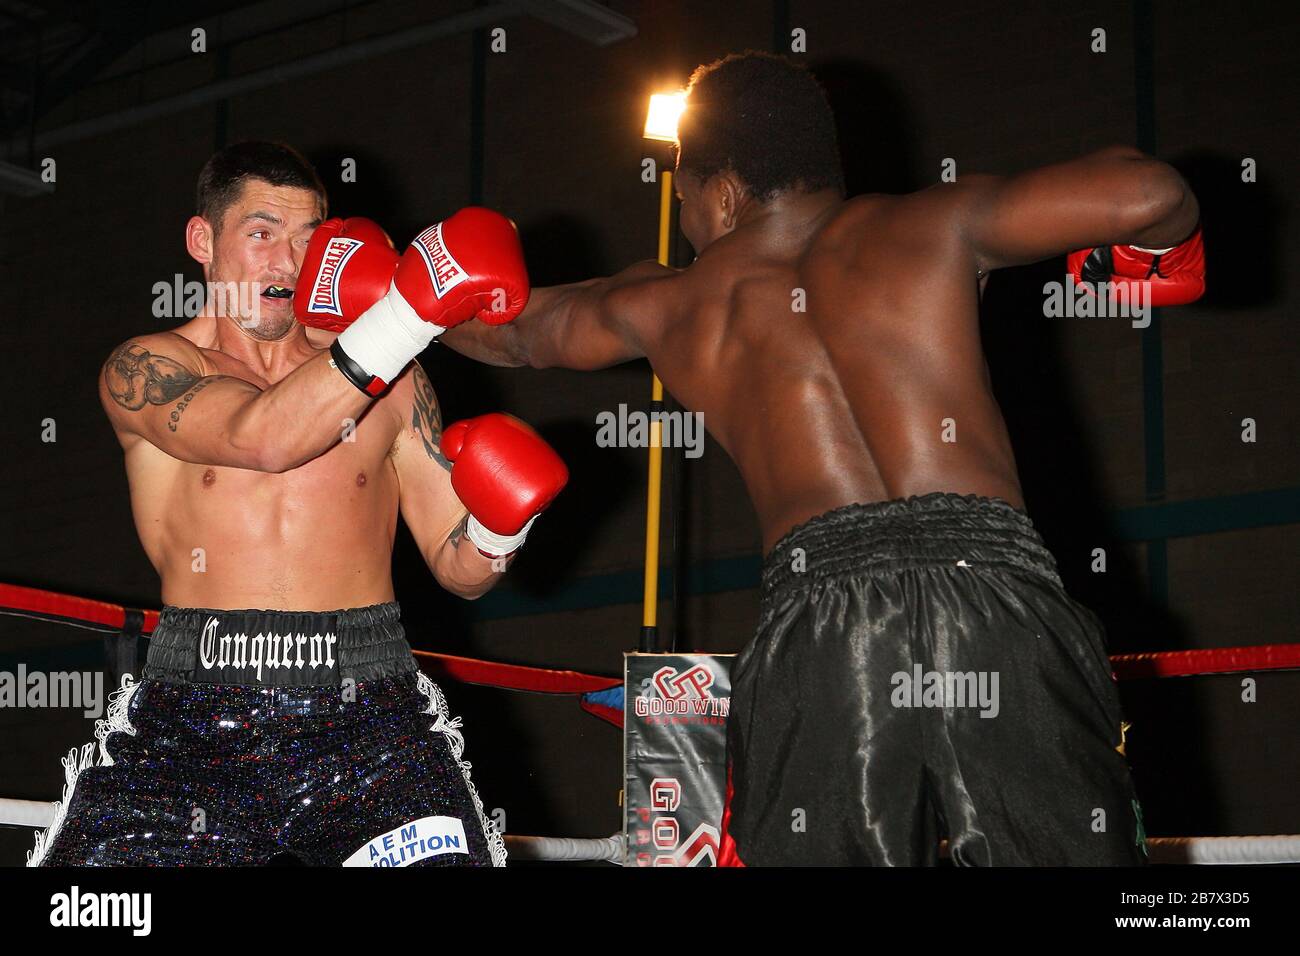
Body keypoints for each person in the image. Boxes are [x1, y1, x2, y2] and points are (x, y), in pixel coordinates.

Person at [440, 52, 1205, 865]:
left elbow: (512, 333)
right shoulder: (935, 223)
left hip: (824, 624)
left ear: (724, 192)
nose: (688, 219)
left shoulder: (668, 303)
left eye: (687, 194)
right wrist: (1155, 260)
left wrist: (392, 303)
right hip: (995, 594)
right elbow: (1153, 193)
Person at [30, 141, 567, 867]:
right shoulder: (149, 367)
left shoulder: (393, 377)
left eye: (308, 238)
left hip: (369, 718)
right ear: (202, 242)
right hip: (192, 720)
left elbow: (457, 566)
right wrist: (411, 310)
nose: (287, 262)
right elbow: (265, 437)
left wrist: (504, 525)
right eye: (261, 234)